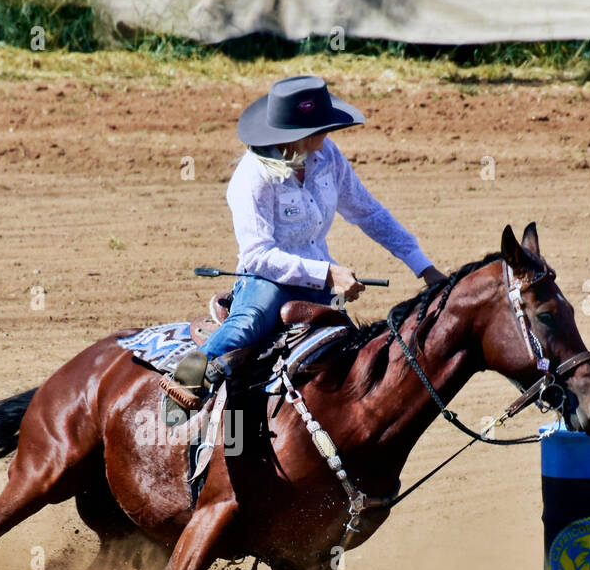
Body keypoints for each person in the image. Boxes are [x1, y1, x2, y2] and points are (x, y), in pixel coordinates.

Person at [172, 75, 447, 401]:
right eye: (320, 126)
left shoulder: (327, 157)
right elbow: (259, 255)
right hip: (266, 280)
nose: (328, 131)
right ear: (296, 135)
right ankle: (188, 373)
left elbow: (368, 213)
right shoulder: (252, 177)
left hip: (318, 284)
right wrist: (329, 273)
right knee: (249, 323)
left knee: (349, 350)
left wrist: (422, 266)